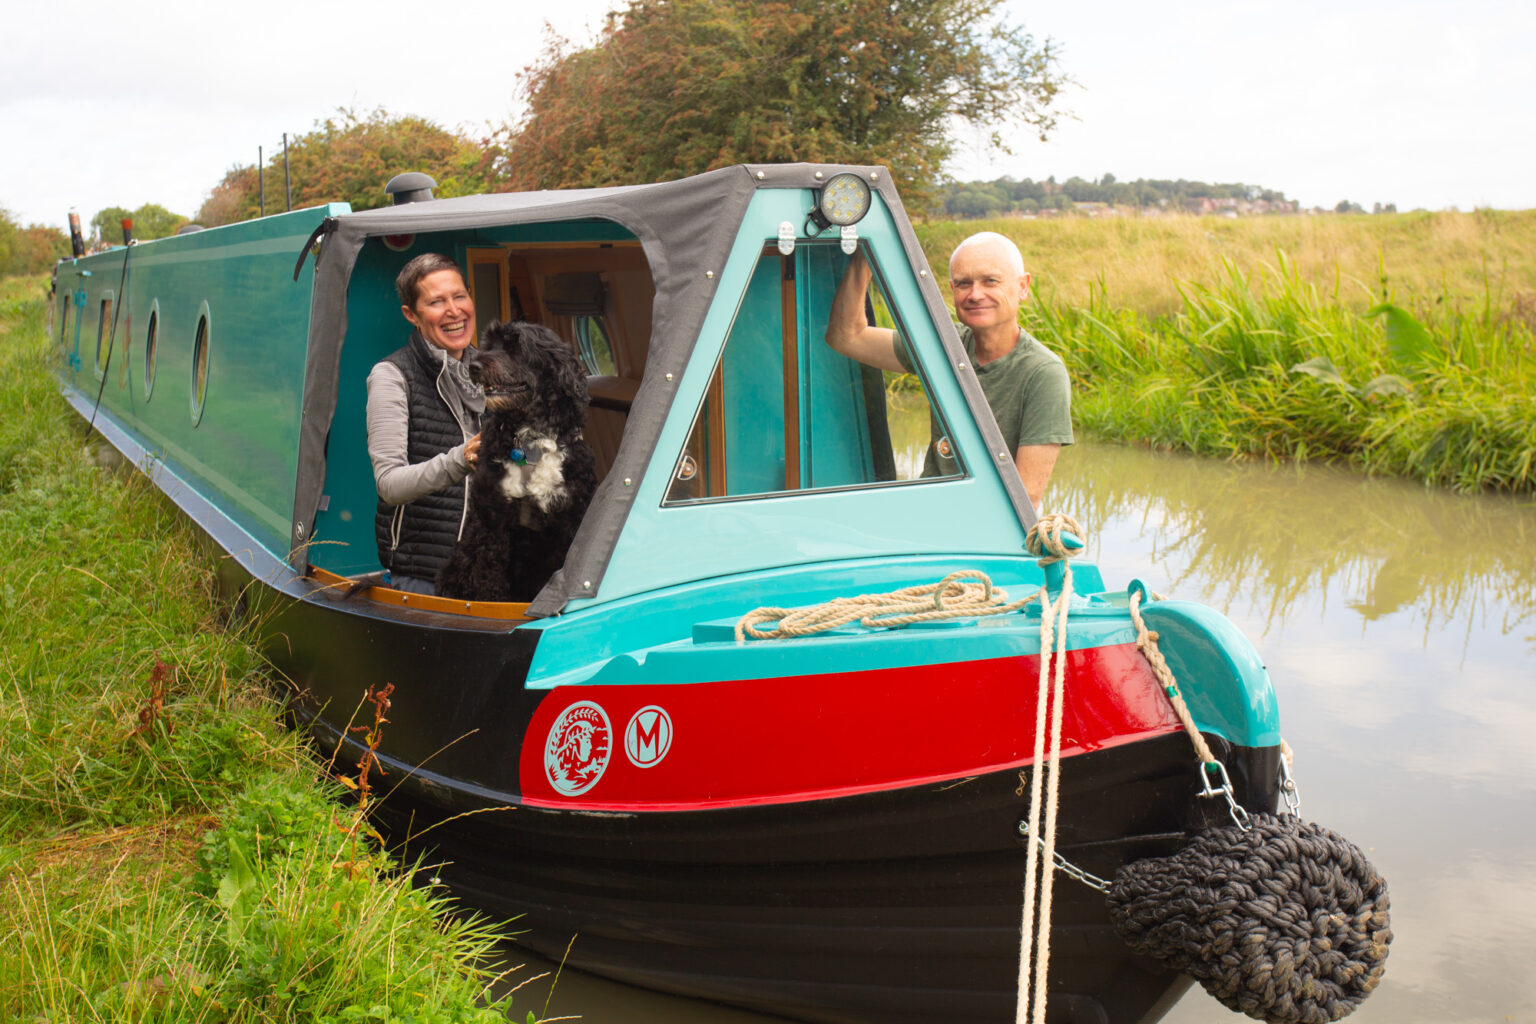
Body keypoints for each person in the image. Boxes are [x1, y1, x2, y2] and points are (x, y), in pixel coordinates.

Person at [825, 232, 1072, 509]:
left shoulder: (1044, 373)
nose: (975, 294)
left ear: (1023, 286)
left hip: (983, 530)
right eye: (964, 283)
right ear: (952, 289)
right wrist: (864, 257)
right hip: (927, 513)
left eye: (990, 281)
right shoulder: (943, 345)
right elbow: (846, 336)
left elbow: (1025, 497)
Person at [367, 253, 485, 594]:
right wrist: (460, 461)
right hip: (424, 577)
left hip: (489, 568)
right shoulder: (391, 376)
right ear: (412, 315)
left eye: (459, 296)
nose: (454, 311)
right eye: (436, 302)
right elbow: (389, 484)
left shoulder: (495, 370)